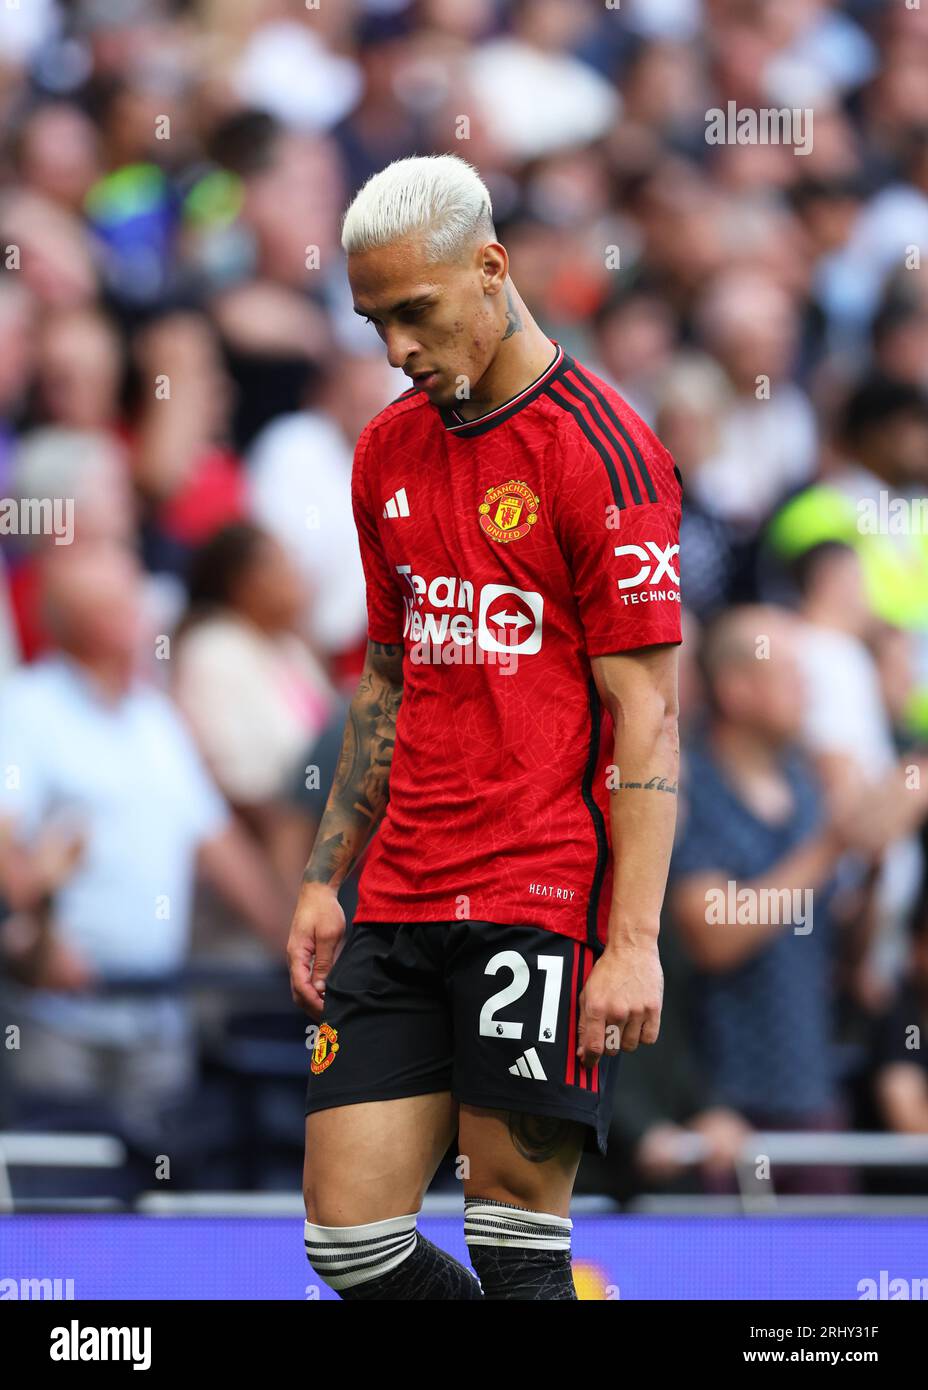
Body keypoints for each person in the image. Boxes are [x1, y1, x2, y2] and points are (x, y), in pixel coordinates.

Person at [286, 154, 683, 1300]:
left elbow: (646, 718)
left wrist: (635, 942)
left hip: (540, 891)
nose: (398, 349)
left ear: (492, 268)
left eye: (415, 312)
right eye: (374, 322)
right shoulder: (385, 451)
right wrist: (327, 875)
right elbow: (386, 675)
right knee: (348, 1241)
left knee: (515, 1244)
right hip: (401, 892)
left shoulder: (601, 449)